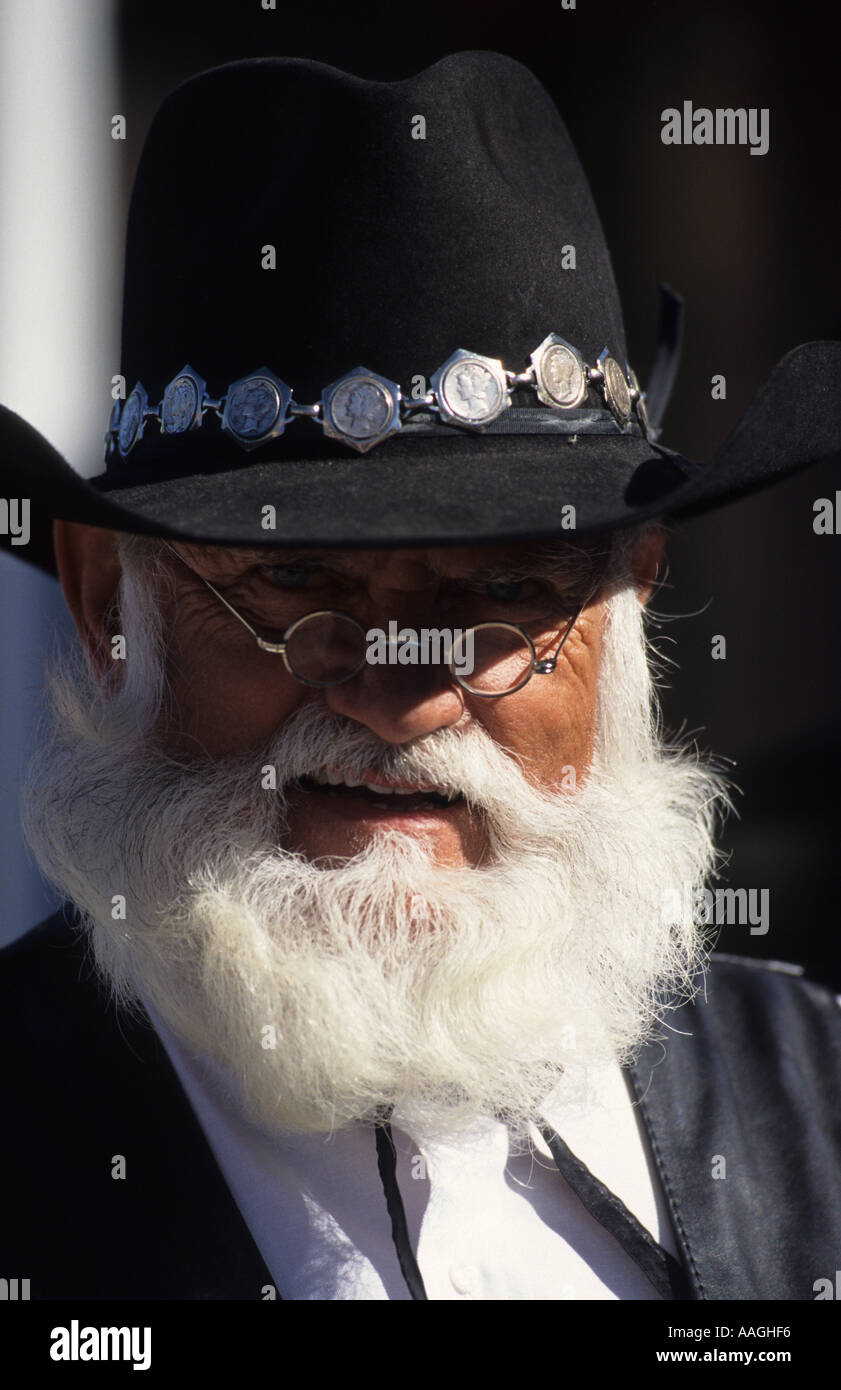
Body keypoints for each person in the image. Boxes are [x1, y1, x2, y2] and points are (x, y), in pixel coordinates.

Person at [1, 50, 840, 1303]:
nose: (401, 695)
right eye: (293, 585)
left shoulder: (818, 1109)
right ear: (107, 601)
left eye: (505, 593)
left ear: (628, 600)